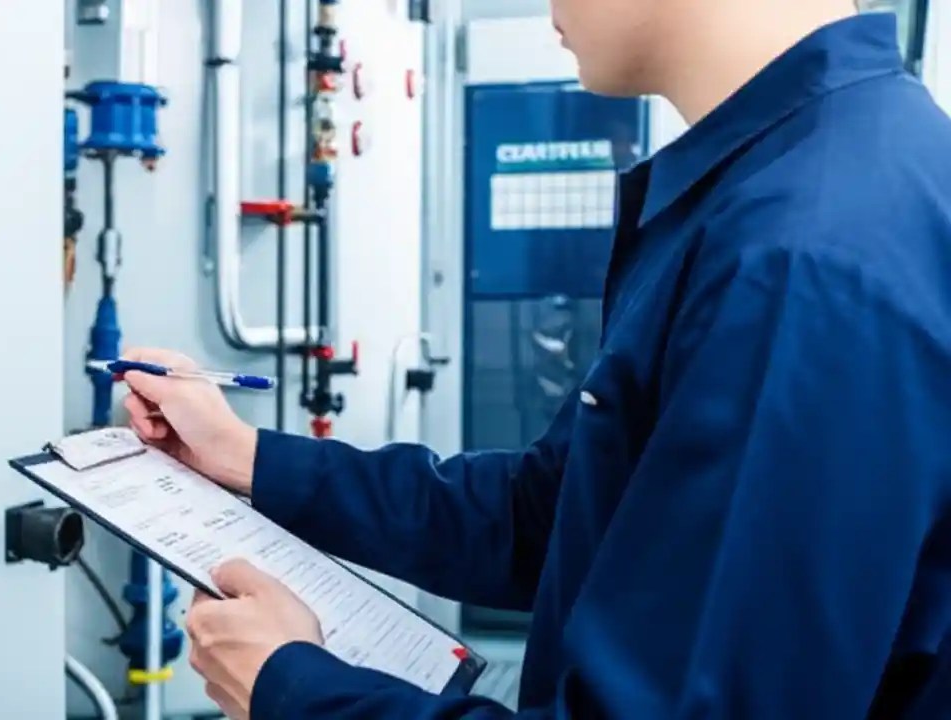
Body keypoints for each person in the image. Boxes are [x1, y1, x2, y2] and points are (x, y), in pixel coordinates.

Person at [121, 0, 951, 717]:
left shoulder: (801, 255)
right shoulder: (801, 182)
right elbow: (552, 517)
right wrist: (248, 457)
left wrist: (292, 687)